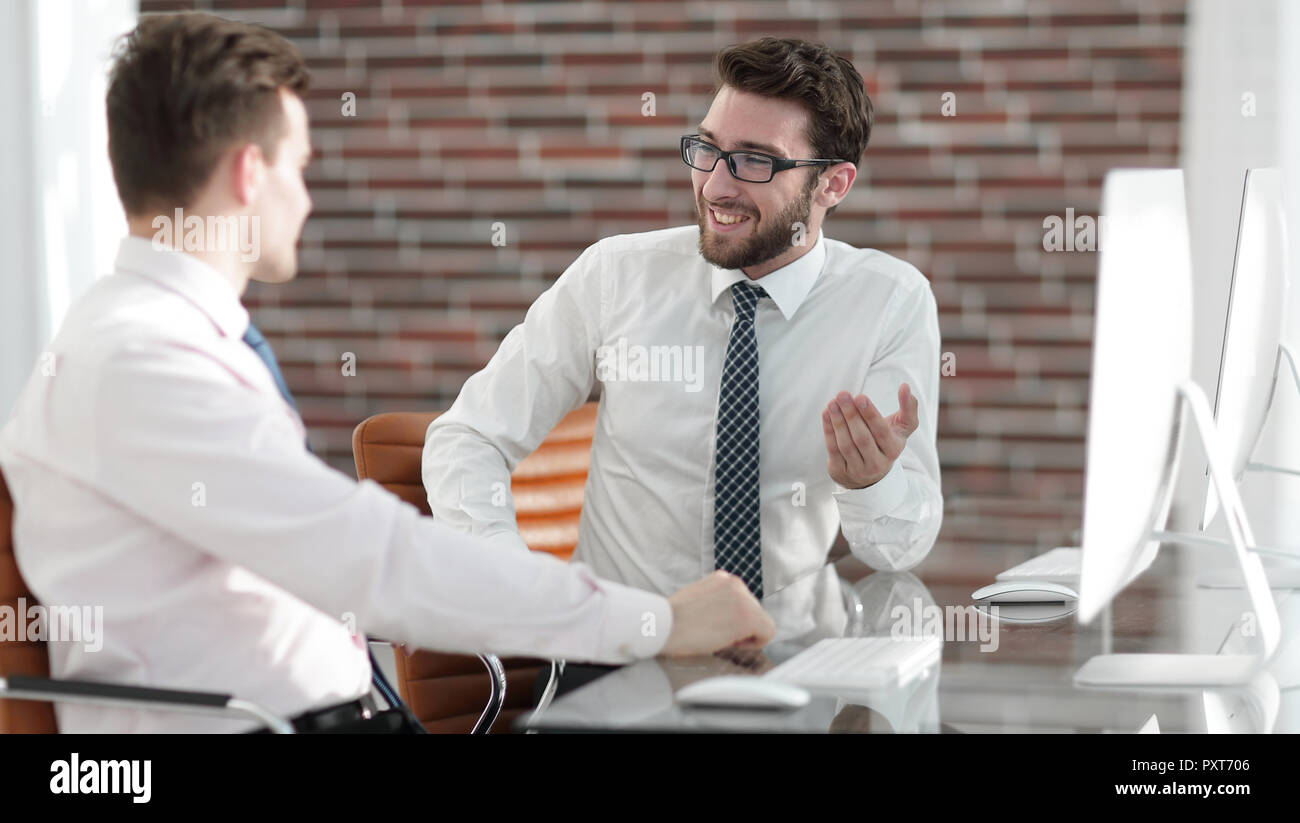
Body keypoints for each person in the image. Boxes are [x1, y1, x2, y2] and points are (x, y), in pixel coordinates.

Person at [0, 11, 773, 734]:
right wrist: (658, 620)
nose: (303, 201)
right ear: (247, 173)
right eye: (297, 168)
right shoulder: (145, 362)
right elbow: (377, 561)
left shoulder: (136, 339)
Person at [423, 37, 944, 617]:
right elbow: (468, 437)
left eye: (755, 161)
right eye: (707, 149)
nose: (716, 187)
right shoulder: (616, 275)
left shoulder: (889, 302)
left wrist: (872, 485)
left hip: (794, 665)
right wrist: (515, 582)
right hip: (622, 659)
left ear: (833, 184)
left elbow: (897, 552)